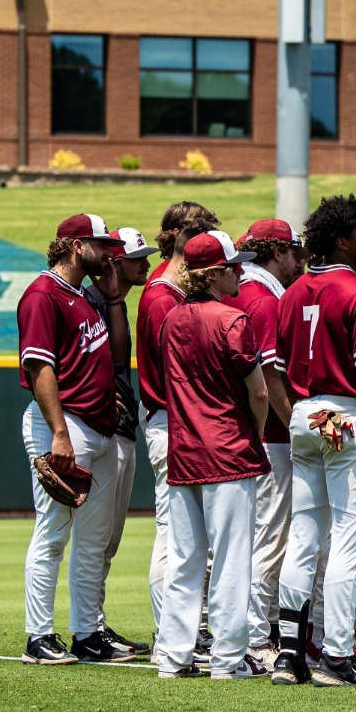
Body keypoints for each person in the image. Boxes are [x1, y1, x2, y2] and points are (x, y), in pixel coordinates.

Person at [272, 195, 356, 688]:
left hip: (305, 414)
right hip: (346, 415)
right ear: (339, 241)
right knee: (350, 542)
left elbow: (277, 372)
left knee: (304, 536)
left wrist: (299, 417)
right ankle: (335, 655)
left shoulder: (290, 293)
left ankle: (288, 656)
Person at [154, 230, 272, 678]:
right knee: (230, 558)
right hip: (227, 451)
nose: (241, 270)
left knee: (185, 560)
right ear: (217, 273)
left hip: (185, 452)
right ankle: (227, 659)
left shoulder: (170, 319)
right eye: (234, 265)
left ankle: (174, 657)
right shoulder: (234, 319)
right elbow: (259, 392)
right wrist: (255, 433)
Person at [17, 214, 128, 665]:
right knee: (53, 534)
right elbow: (38, 367)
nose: (106, 251)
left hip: (97, 424)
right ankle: (38, 637)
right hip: (63, 427)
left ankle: (87, 634)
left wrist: (116, 296)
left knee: (92, 541)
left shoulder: (82, 296)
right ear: (76, 246)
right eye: (99, 244)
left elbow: (115, 357)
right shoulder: (42, 295)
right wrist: (59, 433)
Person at [138, 203, 219, 653]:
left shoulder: (167, 292)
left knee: (186, 534)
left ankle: (179, 629)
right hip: (171, 421)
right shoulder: (162, 297)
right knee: (174, 533)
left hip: (176, 421)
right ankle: (168, 631)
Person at [234, 218, 306, 661]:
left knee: (266, 536)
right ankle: (258, 637)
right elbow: (269, 376)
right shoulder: (261, 299)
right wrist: (295, 423)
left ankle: (264, 630)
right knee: (270, 539)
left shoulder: (248, 291)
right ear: (277, 253)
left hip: (260, 434)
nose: (299, 259)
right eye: (294, 251)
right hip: (273, 436)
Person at [96, 226, 161, 660]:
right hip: (98, 428)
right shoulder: (93, 300)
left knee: (109, 538)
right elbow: (115, 359)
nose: (147, 264)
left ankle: (94, 624)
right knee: (95, 539)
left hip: (119, 426)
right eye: (137, 258)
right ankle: (90, 628)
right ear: (113, 262)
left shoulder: (112, 301)